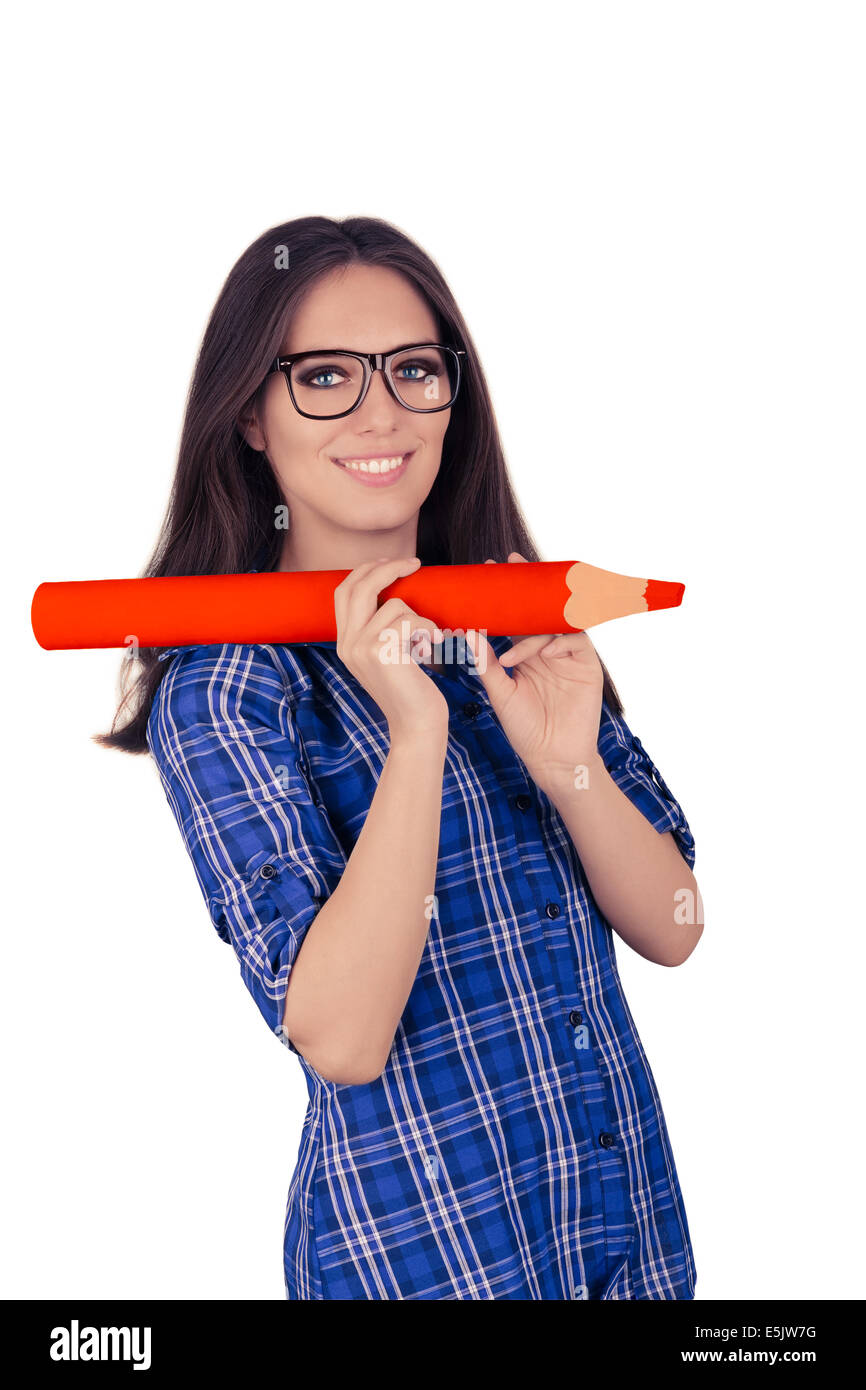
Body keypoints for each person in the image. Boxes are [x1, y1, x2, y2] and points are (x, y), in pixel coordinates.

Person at [97, 215, 704, 1300]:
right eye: (325, 375)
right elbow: (337, 1035)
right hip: (424, 1265)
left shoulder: (520, 629)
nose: (380, 411)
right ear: (249, 411)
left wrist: (568, 763)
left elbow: (673, 925)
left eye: (414, 370)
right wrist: (416, 732)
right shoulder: (229, 690)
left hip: (623, 1247)